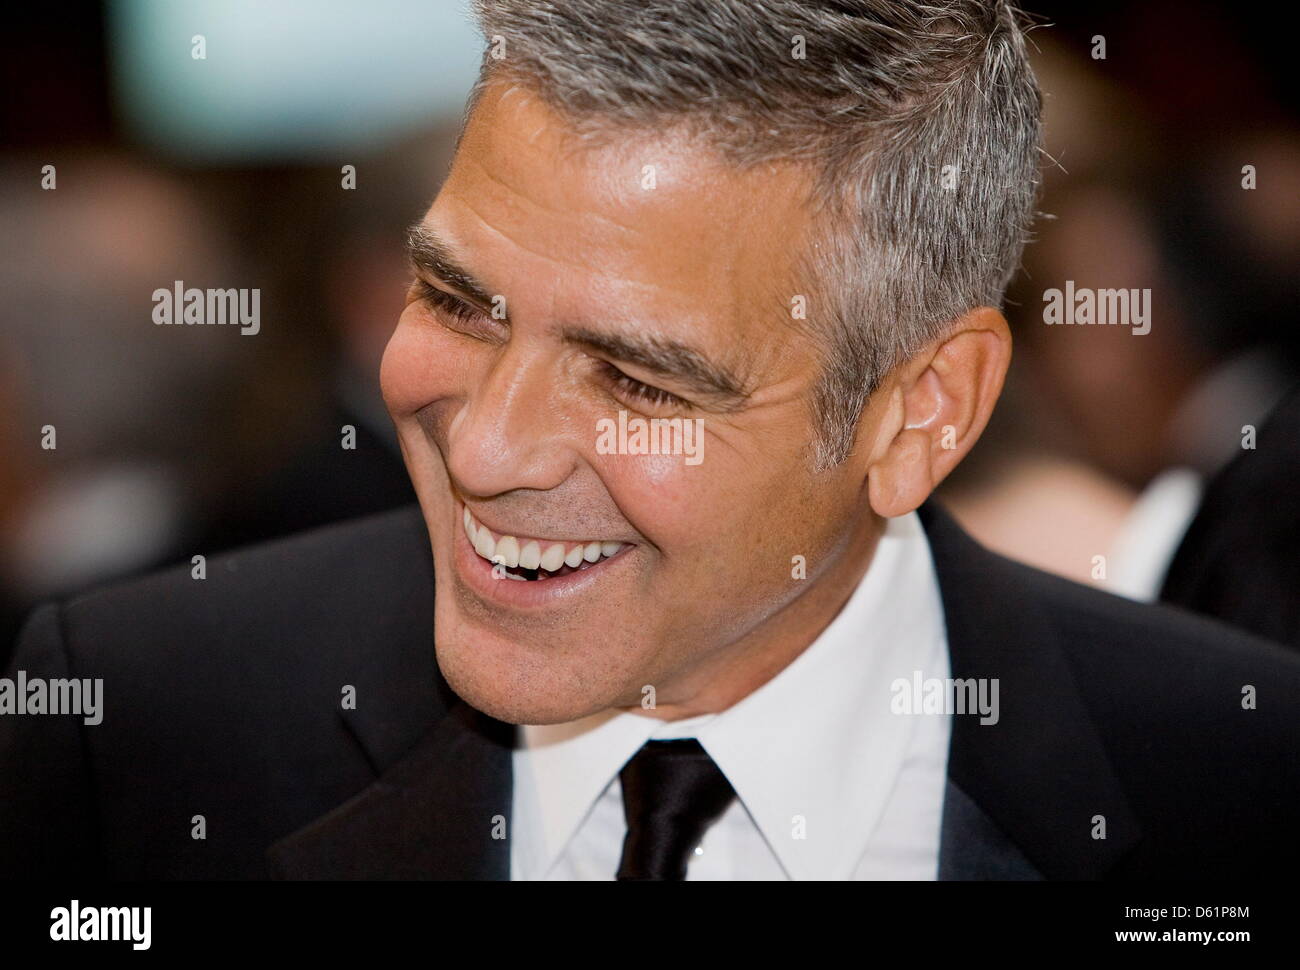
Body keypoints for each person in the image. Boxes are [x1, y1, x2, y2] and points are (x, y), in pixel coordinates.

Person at [3, 0, 1297, 881]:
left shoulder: (1233, 780)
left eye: (636, 378)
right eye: (457, 302)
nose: (490, 447)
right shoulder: (142, 715)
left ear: (921, 412)